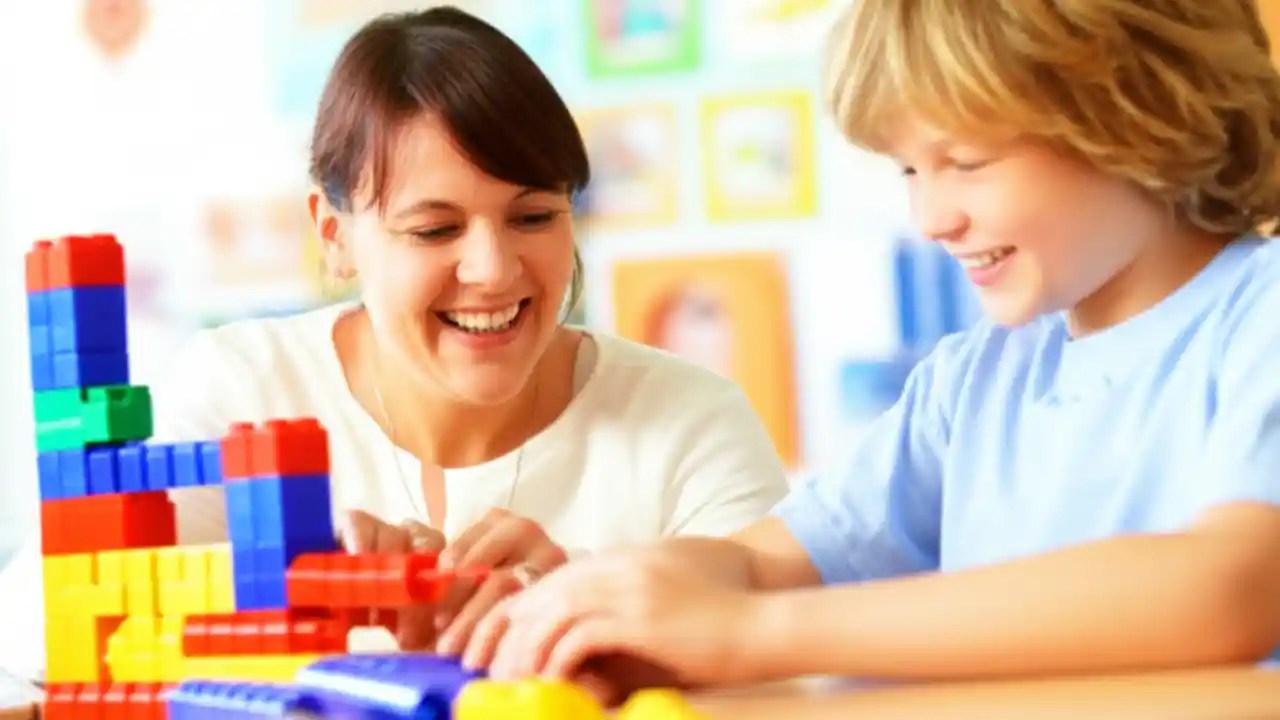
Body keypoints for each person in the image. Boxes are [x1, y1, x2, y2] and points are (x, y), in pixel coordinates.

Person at [460, 0, 1280, 700]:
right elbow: (760, 561)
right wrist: (613, 604)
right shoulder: (971, 383)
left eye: (966, 162)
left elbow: (1232, 589)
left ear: (1141, 115)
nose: (931, 219)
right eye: (910, 172)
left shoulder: (1260, 310)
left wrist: (751, 633)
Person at [0, 5, 788, 675]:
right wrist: (291, 587)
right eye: (435, 228)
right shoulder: (240, 388)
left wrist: (589, 608)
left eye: (535, 216)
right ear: (334, 235)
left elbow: (799, 670)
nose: (493, 267)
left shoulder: (689, 419)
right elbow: (36, 636)